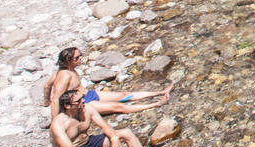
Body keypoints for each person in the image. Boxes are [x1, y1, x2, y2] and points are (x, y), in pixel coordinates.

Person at [43, 47, 172, 119]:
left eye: (80, 56)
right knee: (117, 107)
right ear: (68, 61)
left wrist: (45, 102)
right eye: (77, 58)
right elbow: (56, 99)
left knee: (123, 95)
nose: (80, 59)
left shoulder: (65, 71)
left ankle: (160, 92)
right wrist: (56, 121)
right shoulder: (64, 75)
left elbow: (46, 86)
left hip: (88, 95)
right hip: (83, 103)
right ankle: (156, 104)